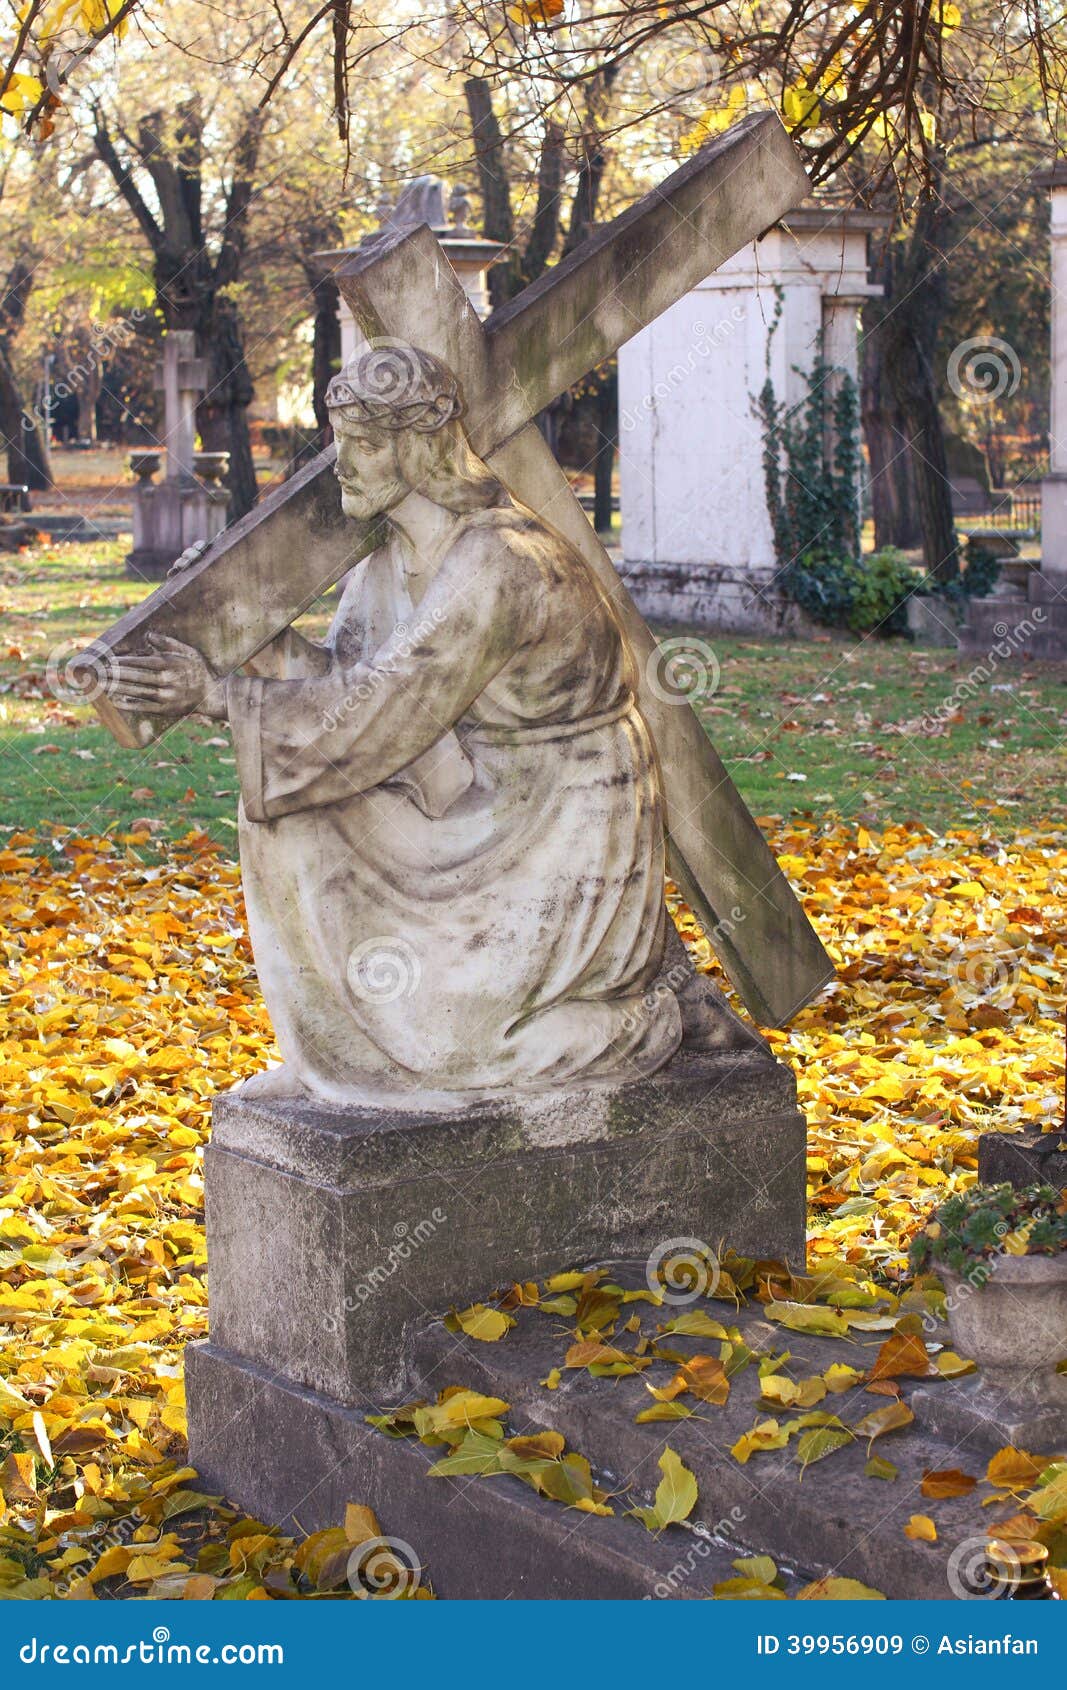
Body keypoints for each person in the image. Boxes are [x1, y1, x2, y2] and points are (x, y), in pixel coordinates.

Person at [109, 343, 760, 1108]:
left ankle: (645, 1019)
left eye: (362, 444)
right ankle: (344, 1047)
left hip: (560, 814)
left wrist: (221, 698)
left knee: (469, 1043)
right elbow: (353, 686)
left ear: (418, 448)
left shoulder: (499, 561)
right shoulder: (390, 557)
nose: (341, 464)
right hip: (471, 799)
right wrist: (252, 638)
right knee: (288, 812)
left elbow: (386, 708)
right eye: (337, 440)